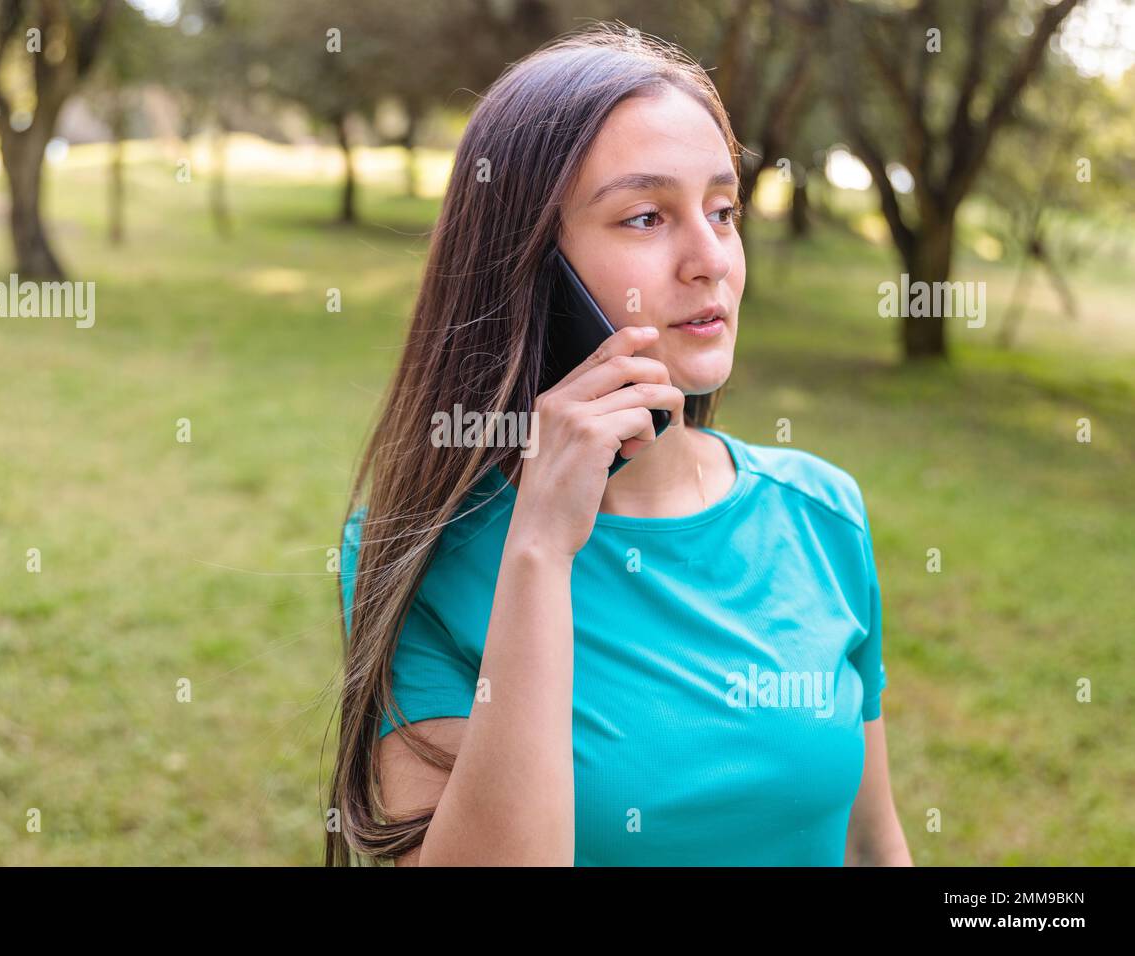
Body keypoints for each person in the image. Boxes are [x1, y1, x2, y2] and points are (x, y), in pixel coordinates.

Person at [328, 22, 910, 867]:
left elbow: (873, 844)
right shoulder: (418, 552)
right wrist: (538, 549)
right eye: (646, 217)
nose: (710, 259)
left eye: (722, 210)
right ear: (529, 269)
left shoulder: (822, 513)